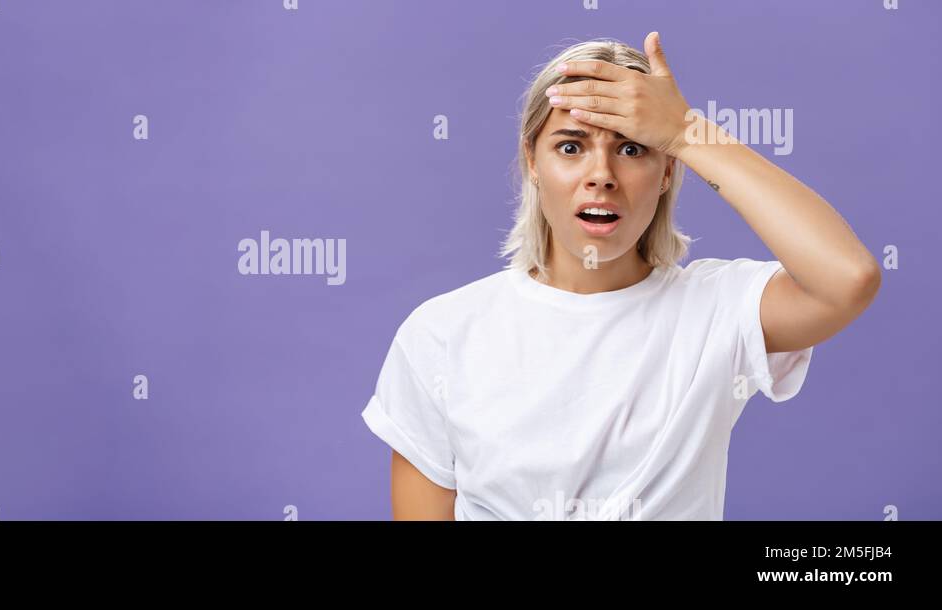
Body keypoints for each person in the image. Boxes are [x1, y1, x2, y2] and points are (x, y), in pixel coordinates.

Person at [360, 33, 881, 520]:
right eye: (570, 146)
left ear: (668, 172)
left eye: (632, 148)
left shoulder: (717, 308)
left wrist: (686, 132)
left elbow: (847, 278)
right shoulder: (442, 333)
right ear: (532, 161)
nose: (602, 175)